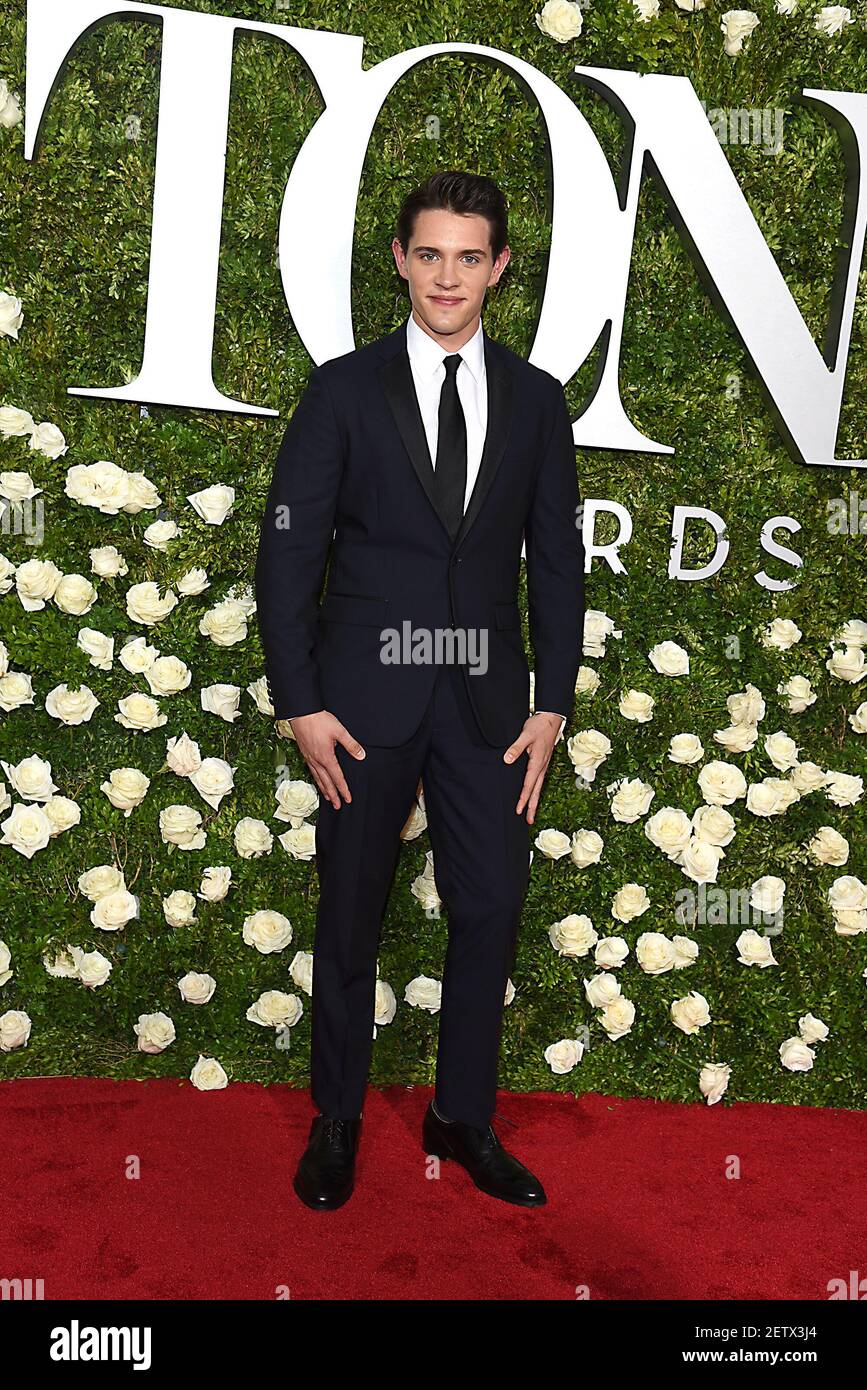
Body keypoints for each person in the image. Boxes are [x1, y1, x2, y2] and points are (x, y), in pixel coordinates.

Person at [254, 170, 585, 1210]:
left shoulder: (535, 399)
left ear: (498, 268)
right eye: (430, 253)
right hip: (362, 702)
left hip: (489, 702)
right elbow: (287, 555)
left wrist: (552, 701)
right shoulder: (344, 389)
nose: (449, 275)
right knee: (352, 911)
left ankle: (462, 1113)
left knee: (490, 905)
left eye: (470, 255)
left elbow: (556, 561)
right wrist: (302, 702)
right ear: (400, 259)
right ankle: (339, 1116)